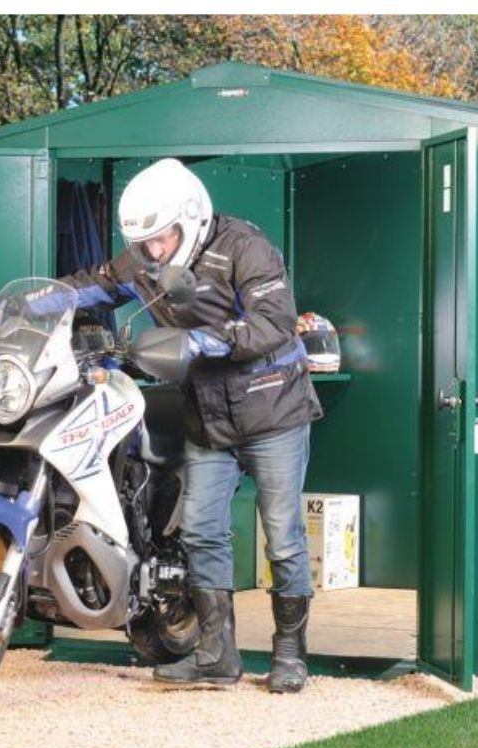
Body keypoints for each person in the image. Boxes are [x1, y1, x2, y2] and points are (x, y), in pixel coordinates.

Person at [64, 158, 322, 693]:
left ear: (191, 217)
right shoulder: (143, 257)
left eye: (161, 239)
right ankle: (216, 658)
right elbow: (95, 284)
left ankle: (291, 656)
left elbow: (274, 323)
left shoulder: (245, 246)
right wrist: (23, 305)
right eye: (144, 242)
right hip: (207, 415)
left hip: (273, 411)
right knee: (202, 533)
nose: (153, 252)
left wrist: (201, 342)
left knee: (284, 537)